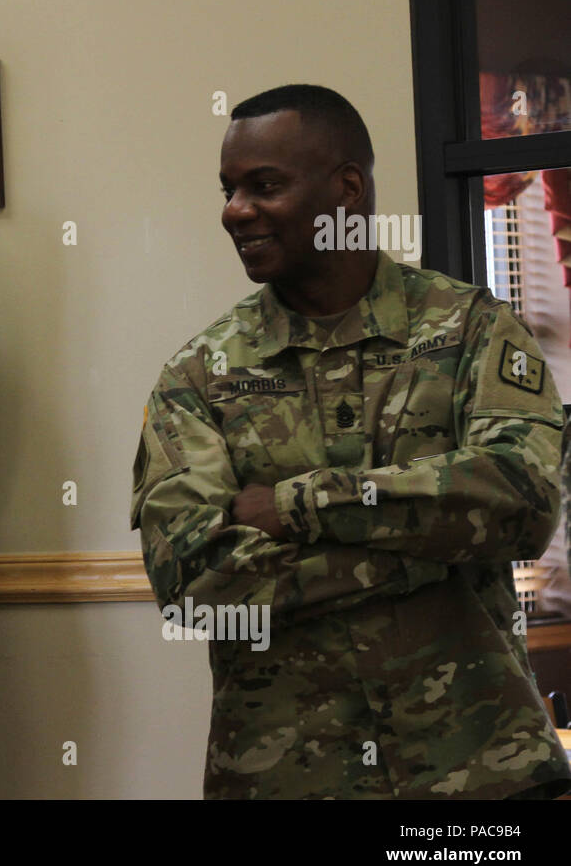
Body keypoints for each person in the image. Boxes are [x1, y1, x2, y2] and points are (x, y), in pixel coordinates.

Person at [131, 84, 571, 799]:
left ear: (348, 188)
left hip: (478, 775)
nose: (234, 211)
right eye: (229, 189)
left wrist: (298, 505)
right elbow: (195, 582)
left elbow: (519, 503)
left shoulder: (470, 333)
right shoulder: (201, 374)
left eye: (263, 186)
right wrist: (432, 551)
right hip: (286, 777)